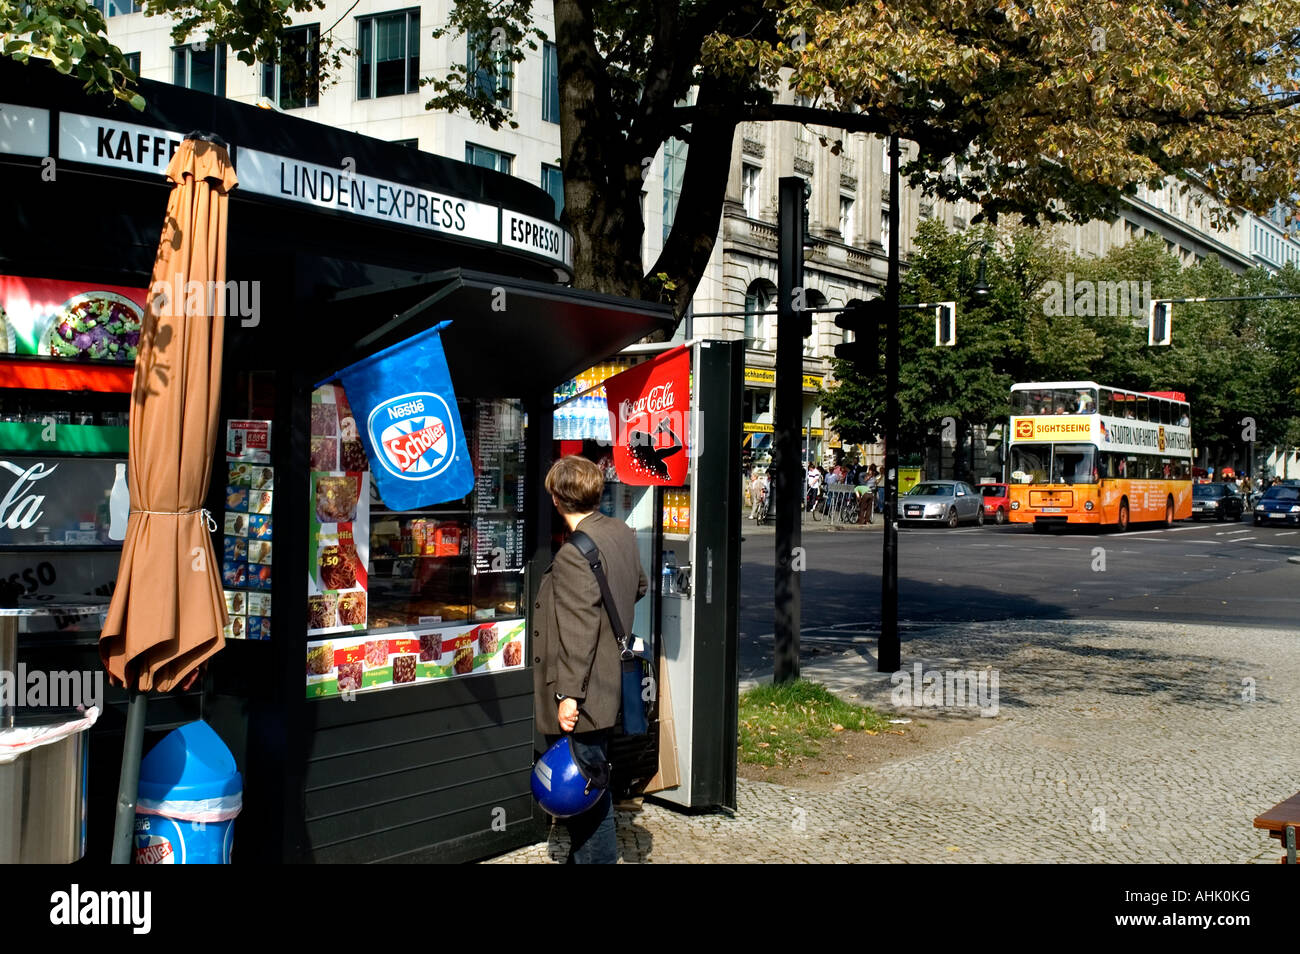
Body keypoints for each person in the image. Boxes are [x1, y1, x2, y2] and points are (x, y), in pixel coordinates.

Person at [535, 455, 647, 864]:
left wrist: (567, 696)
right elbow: (639, 586)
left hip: (582, 694)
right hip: (607, 684)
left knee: (585, 792)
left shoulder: (572, 554)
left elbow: (579, 633)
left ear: (556, 498)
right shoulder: (620, 532)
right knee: (590, 781)